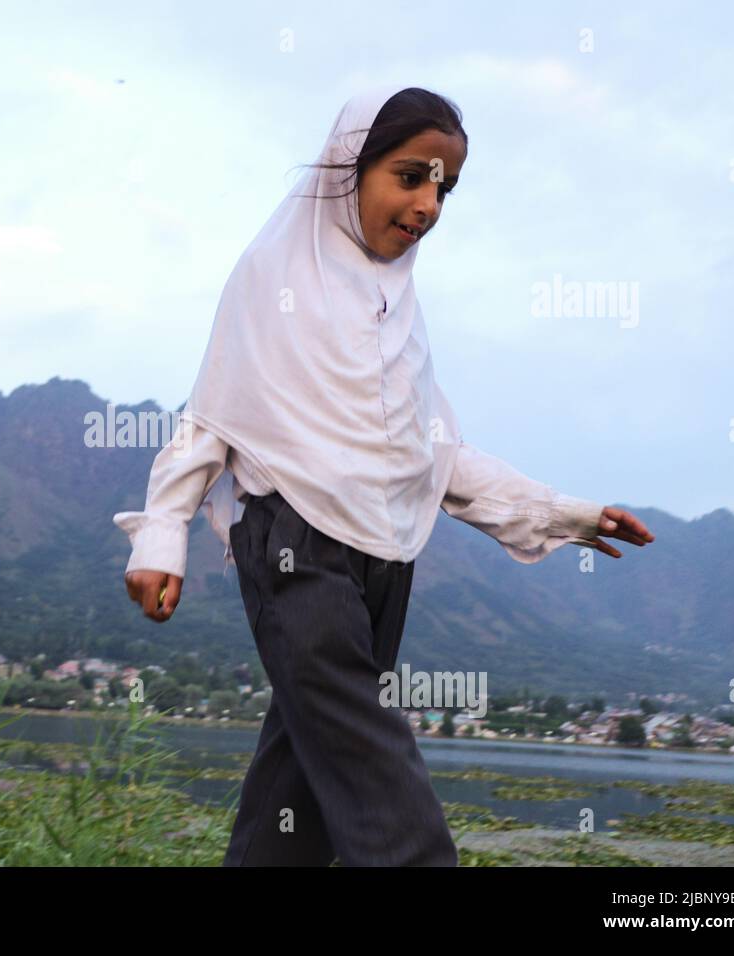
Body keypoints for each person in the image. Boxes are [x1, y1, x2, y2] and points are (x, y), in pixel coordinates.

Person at [113, 84, 655, 867]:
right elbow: (212, 416)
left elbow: (430, 457)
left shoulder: (400, 313)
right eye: (410, 176)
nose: (430, 204)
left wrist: (563, 513)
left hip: (383, 566)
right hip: (294, 550)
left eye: (446, 187)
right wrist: (159, 536)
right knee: (381, 790)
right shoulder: (275, 277)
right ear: (348, 168)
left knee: (296, 788)